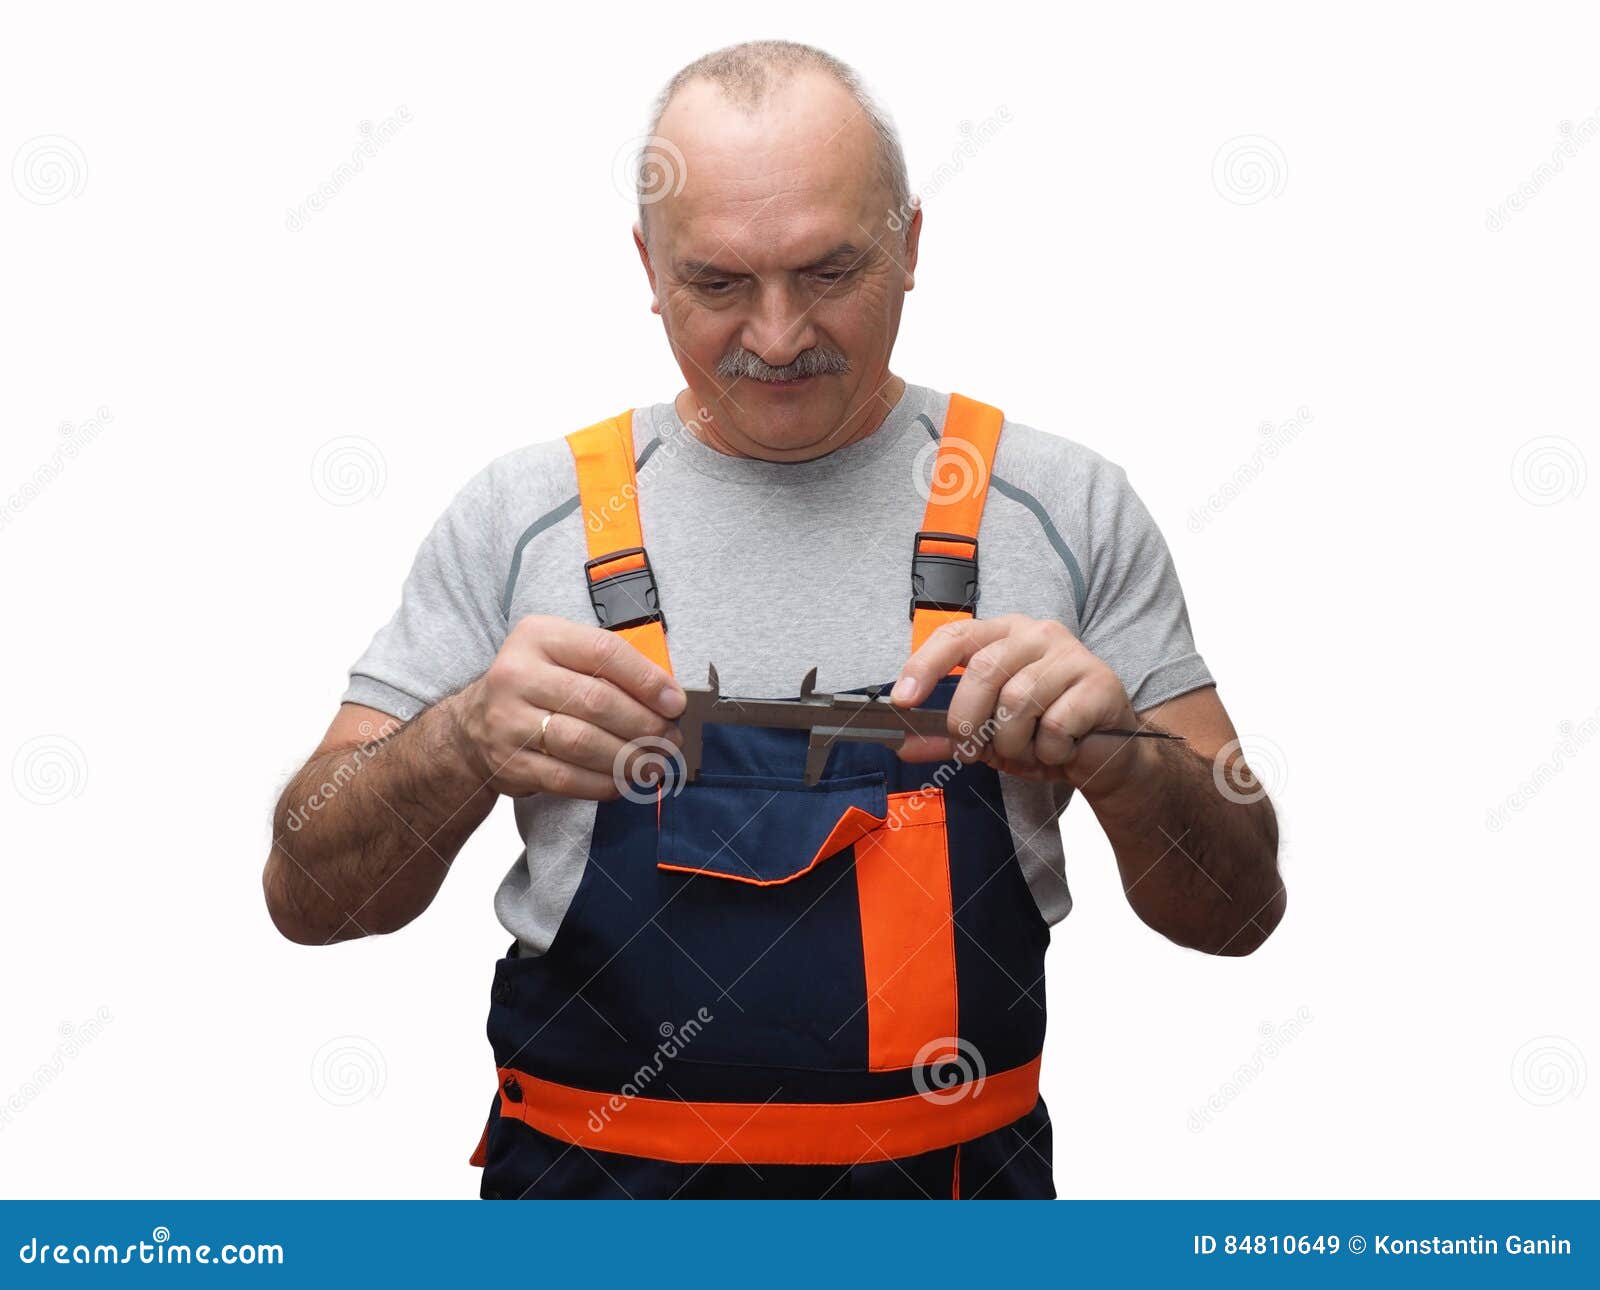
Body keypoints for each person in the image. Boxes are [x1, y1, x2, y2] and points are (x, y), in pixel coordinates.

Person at [263, 39, 1284, 1200]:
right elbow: (308, 895)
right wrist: (452, 745)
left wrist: (1124, 763)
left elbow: (1241, 909)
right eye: (719, 284)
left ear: (909, 246)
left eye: (830, 270)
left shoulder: (1062, 508)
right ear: (647, 266)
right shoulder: (521, 517)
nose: (781, 334)